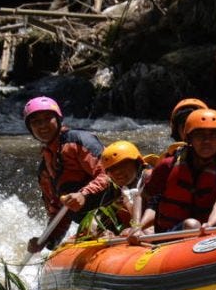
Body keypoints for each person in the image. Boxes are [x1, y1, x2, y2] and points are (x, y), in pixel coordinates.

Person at [23, 96, 110, 252]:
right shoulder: (44, 171)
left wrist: (84, 194)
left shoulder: (79, 141)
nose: (42, 125)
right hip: (90, 219)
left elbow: (110, 174)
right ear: (30, 128)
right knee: (66, 194)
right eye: (36, 122)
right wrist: (46, 240)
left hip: (115, 205)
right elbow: (58, 211)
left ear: (58, 119)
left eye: (47, 118)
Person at [140, 108, 216, 233]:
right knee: (192, 225)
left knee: (192, 225)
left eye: (213, 135)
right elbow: (144, 196)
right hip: (166, 235)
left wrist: (209, 225)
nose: (207, 141)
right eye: (200, 135)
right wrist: (138, 227)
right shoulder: (167, 166)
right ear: (189, 139)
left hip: (206, 234)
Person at [77, 140, 153, 238]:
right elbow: (97, 219)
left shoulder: (151, 179)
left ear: (137, 163)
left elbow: (160, 210)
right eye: (111, 169)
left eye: (122, 165)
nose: (117, 172)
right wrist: (101, 232)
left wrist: (136, 228)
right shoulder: (115, 190)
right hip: (135, 232)